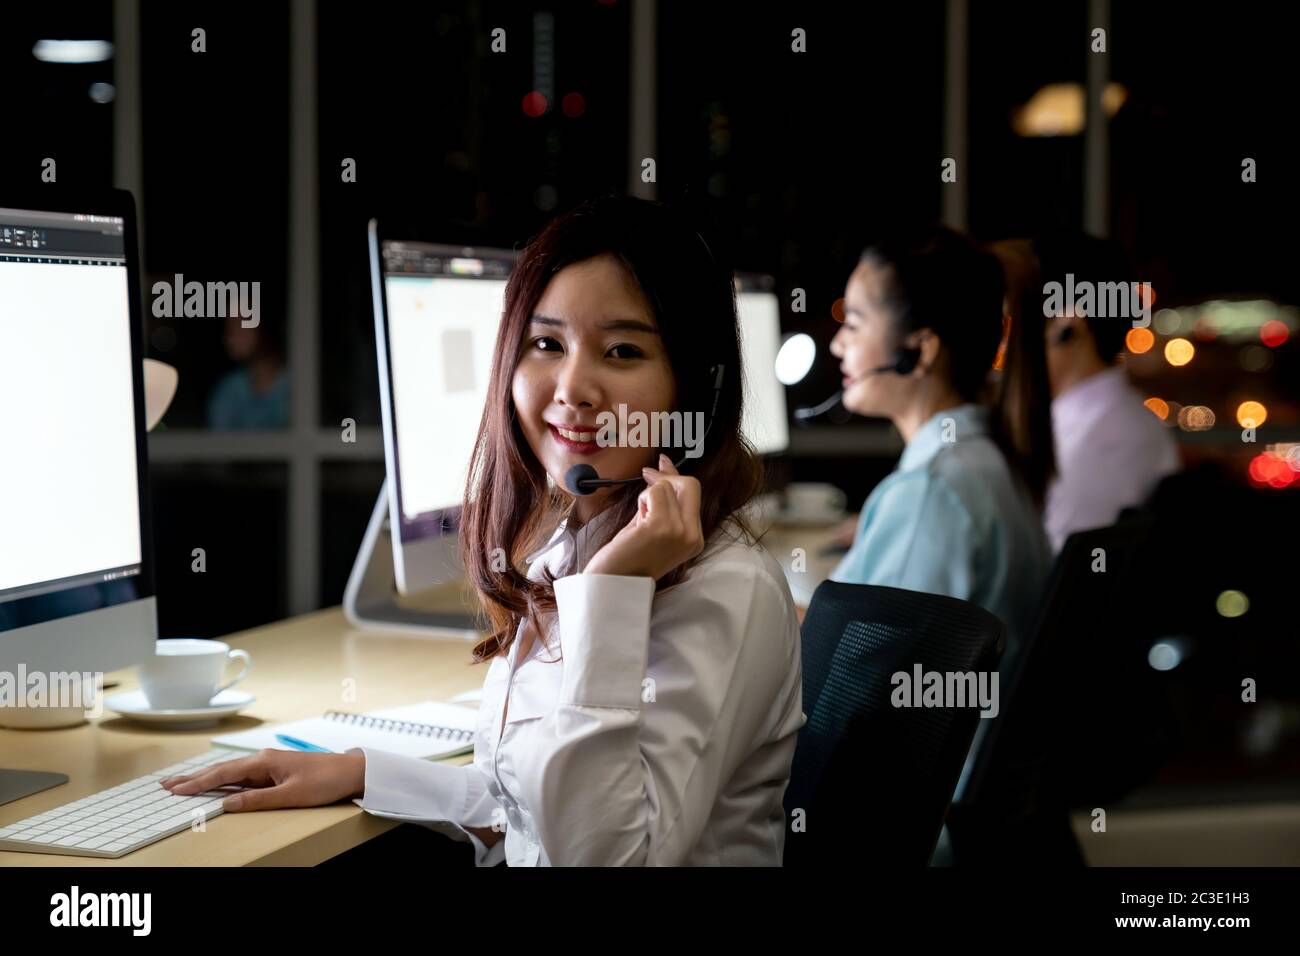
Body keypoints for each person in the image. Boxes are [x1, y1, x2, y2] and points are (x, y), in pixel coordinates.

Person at [160, 195, 805, 866]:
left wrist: (611, 591)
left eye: (621, 351)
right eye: (547, 343)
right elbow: (531, 804)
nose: (572, 387)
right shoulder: (573, 544)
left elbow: (603, 856)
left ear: (693, 385)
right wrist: (363, 772)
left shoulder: (723, 589)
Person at [825, 225, 1053, 665]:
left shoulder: (932, 489)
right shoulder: (985, 457)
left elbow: (866, 680)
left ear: (920, 351)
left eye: (853, 324)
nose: (838, 344)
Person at [1034, 232, 1180, 552]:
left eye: (1014, 320)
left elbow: (1052, 582)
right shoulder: (1106, 421)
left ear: (1066, 323)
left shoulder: (1103, 441)